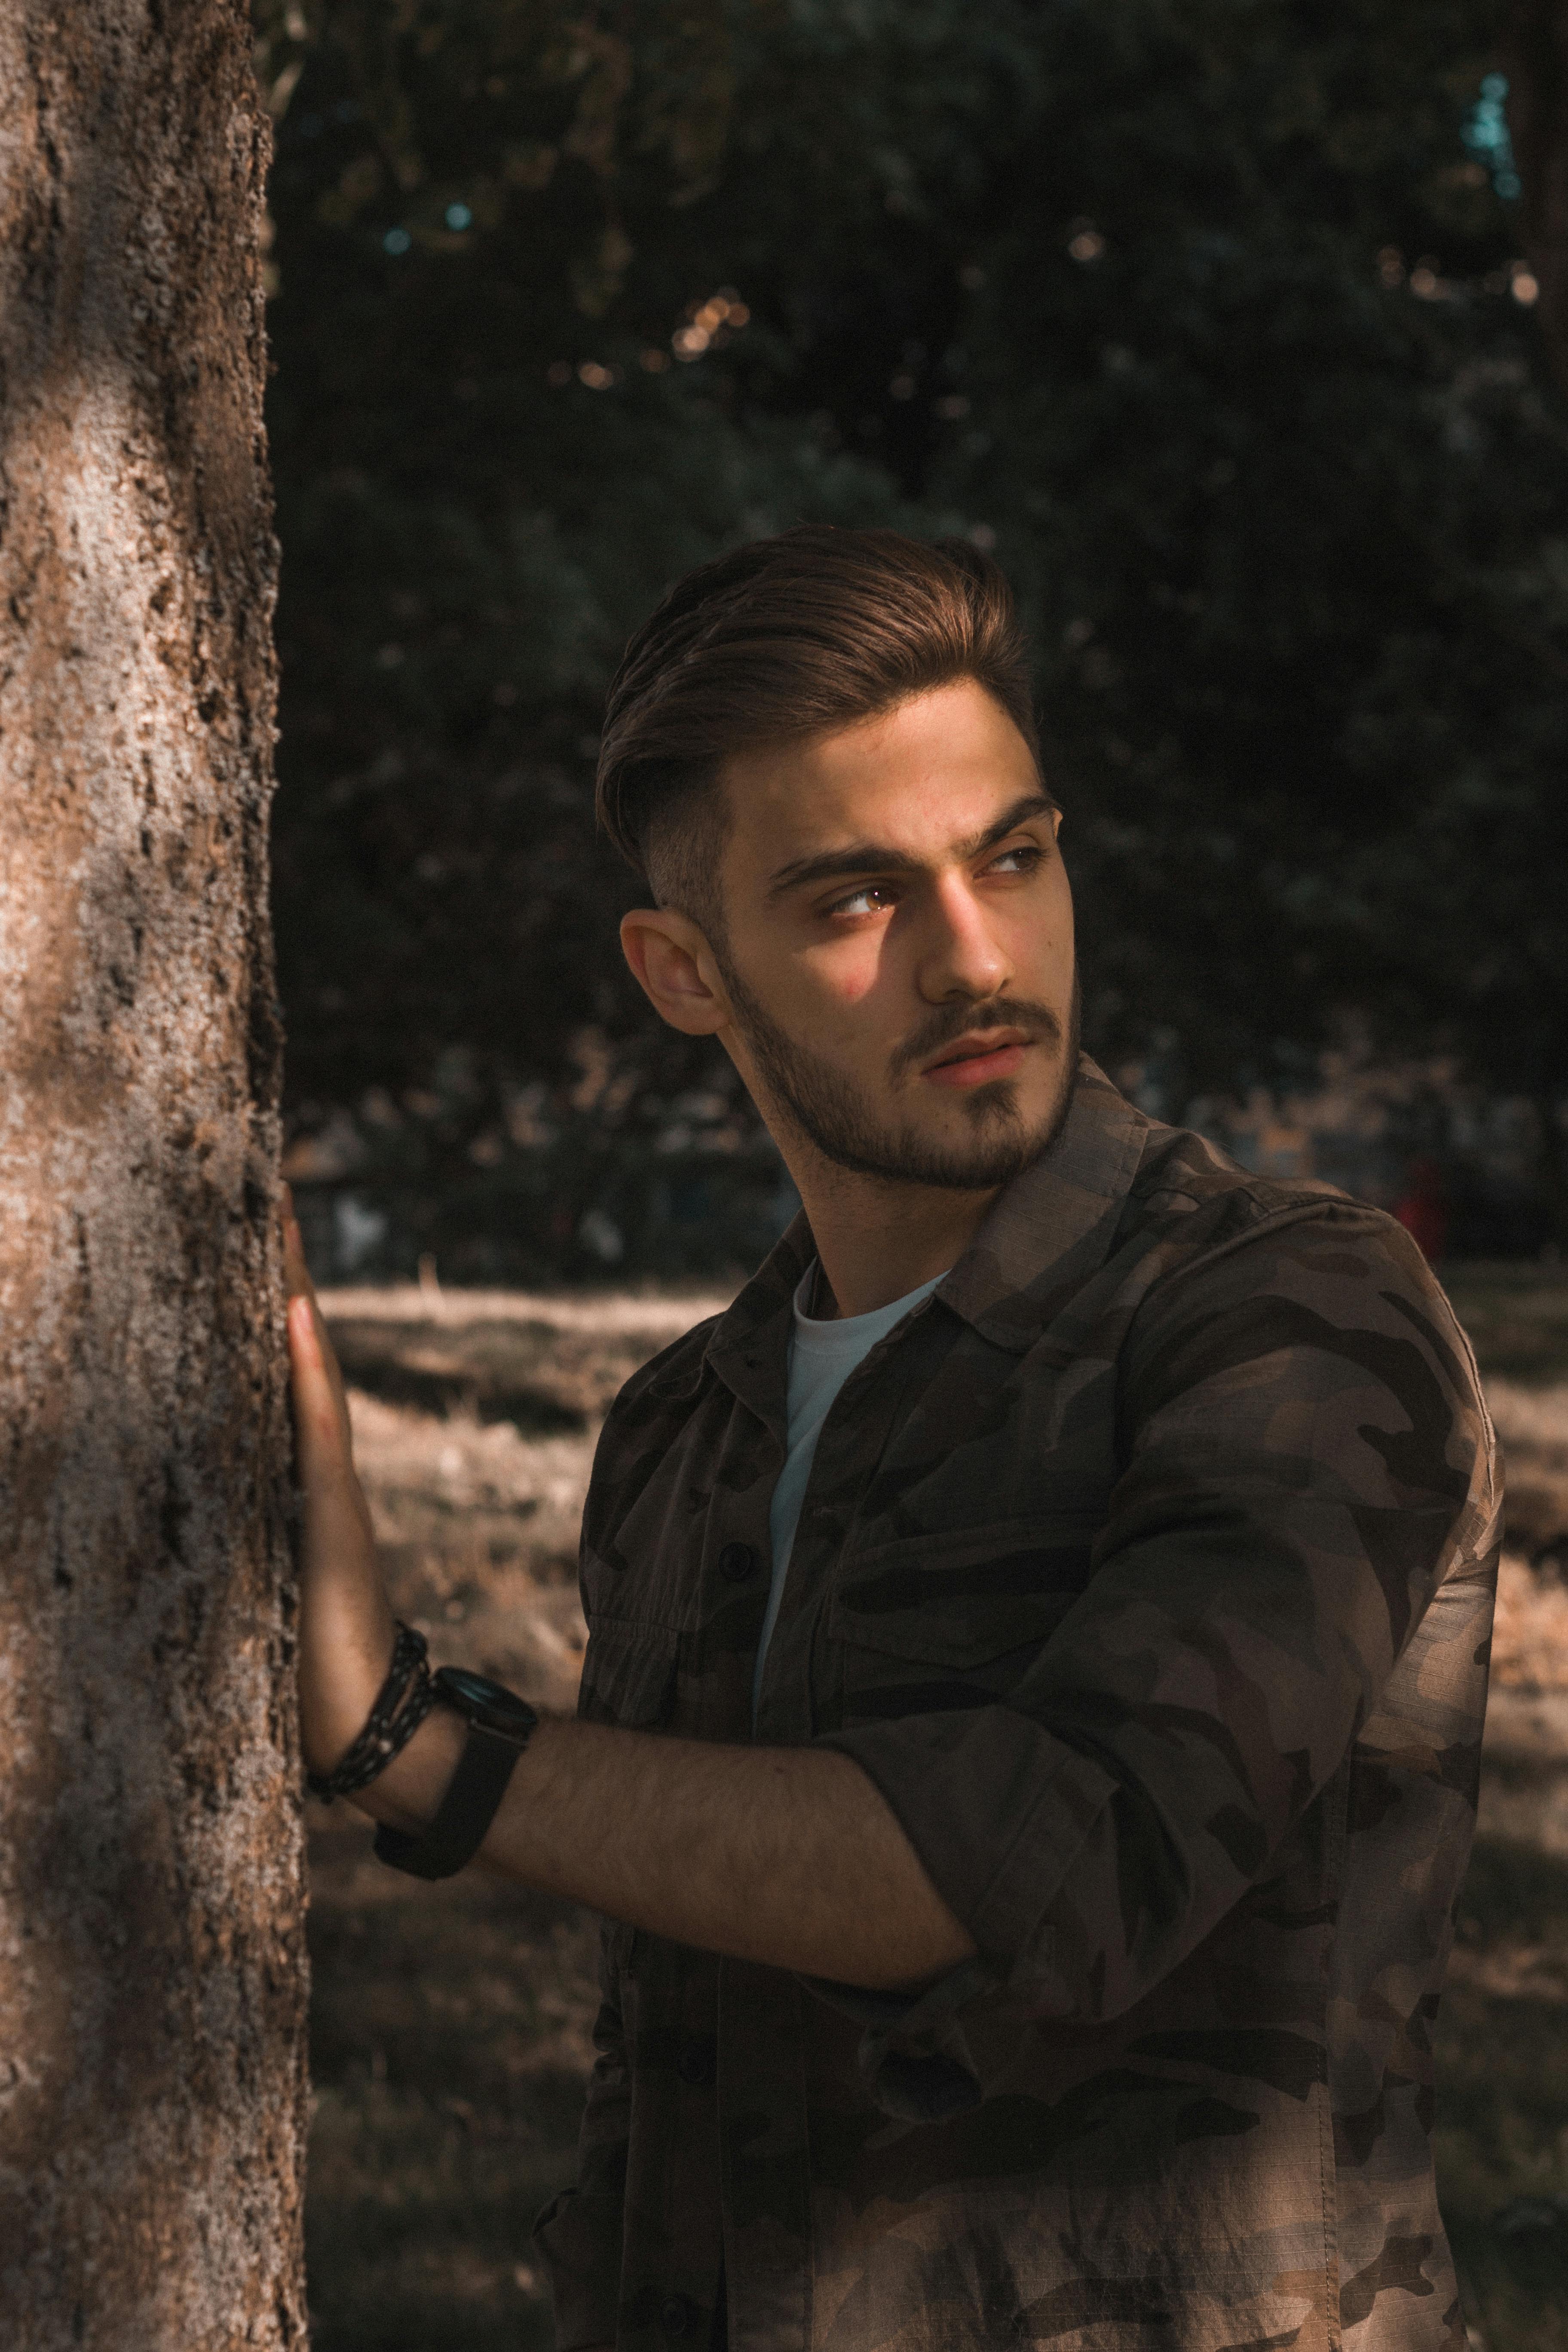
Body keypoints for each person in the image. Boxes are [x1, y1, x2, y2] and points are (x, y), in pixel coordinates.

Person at [285, 527, 1500, 2352]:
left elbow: (1060, 1869)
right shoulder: (684, 1429)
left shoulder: (1288, 1313)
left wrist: (412, 1746)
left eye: (1013, 857)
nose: (976, 956)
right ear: (685, 973)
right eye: (858, 900)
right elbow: (663, 2067)